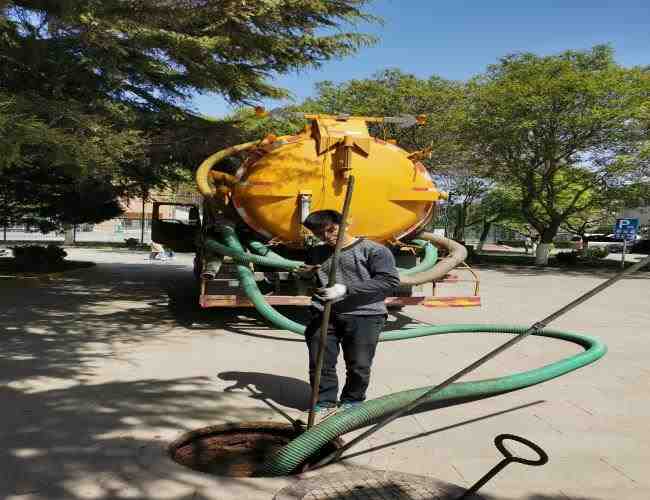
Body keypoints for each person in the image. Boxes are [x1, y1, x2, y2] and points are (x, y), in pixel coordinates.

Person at [297, 210, 400, 422]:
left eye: (331, 230)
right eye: (319, 234)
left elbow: (389, 281)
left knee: (359, 364)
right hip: (324, 313)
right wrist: (305, 276)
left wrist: (345, 289)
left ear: (346, 222)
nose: (326, 236)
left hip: (365, 315)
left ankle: (353, 401)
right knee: (320, 362)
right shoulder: (317, 252)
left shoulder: (373, 250)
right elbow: (312, 282)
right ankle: (324, 402)